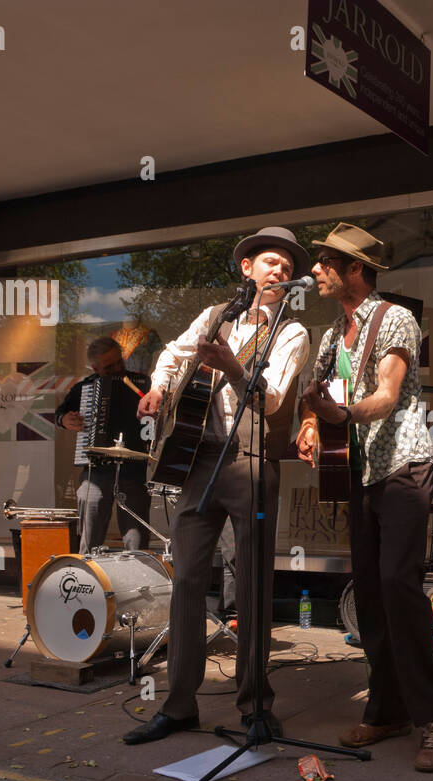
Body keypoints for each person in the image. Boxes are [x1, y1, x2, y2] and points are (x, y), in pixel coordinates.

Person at [124, 226, 311, 745]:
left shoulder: (291, 332)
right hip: (200, 461)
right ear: (247, 268)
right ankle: (179, 704)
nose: (279, 271)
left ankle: (255, 707)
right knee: (186, 582)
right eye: (270, 261)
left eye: (287, 266)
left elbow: (271, 401)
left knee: (251, 584)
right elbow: (175, 354)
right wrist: (159, 387)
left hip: (251, 463)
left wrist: (231, 365)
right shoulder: (215, 316)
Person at [295, 222, 433, 772]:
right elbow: (316, 400)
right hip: (358, 476)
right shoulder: (328, 337)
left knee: (397, 585)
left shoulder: (396, 320)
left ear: (355, 270)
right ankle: (387, 708)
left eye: (325, 262)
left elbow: (386, 397)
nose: (315, 270)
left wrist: (344, 413)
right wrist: (312, 425)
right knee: (368, 596)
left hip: (402, 469)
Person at [54, 338, 152, 552]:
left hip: (133, 469)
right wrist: (65, 420)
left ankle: (135, 581)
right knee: (89, 539)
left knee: (136, 542)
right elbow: (60, 414)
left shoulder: (143, 384)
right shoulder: (84, 388)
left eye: (119, 362)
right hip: (96, 470)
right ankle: (88, 581)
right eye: (109, 367)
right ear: (96, 368)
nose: (117, 369)